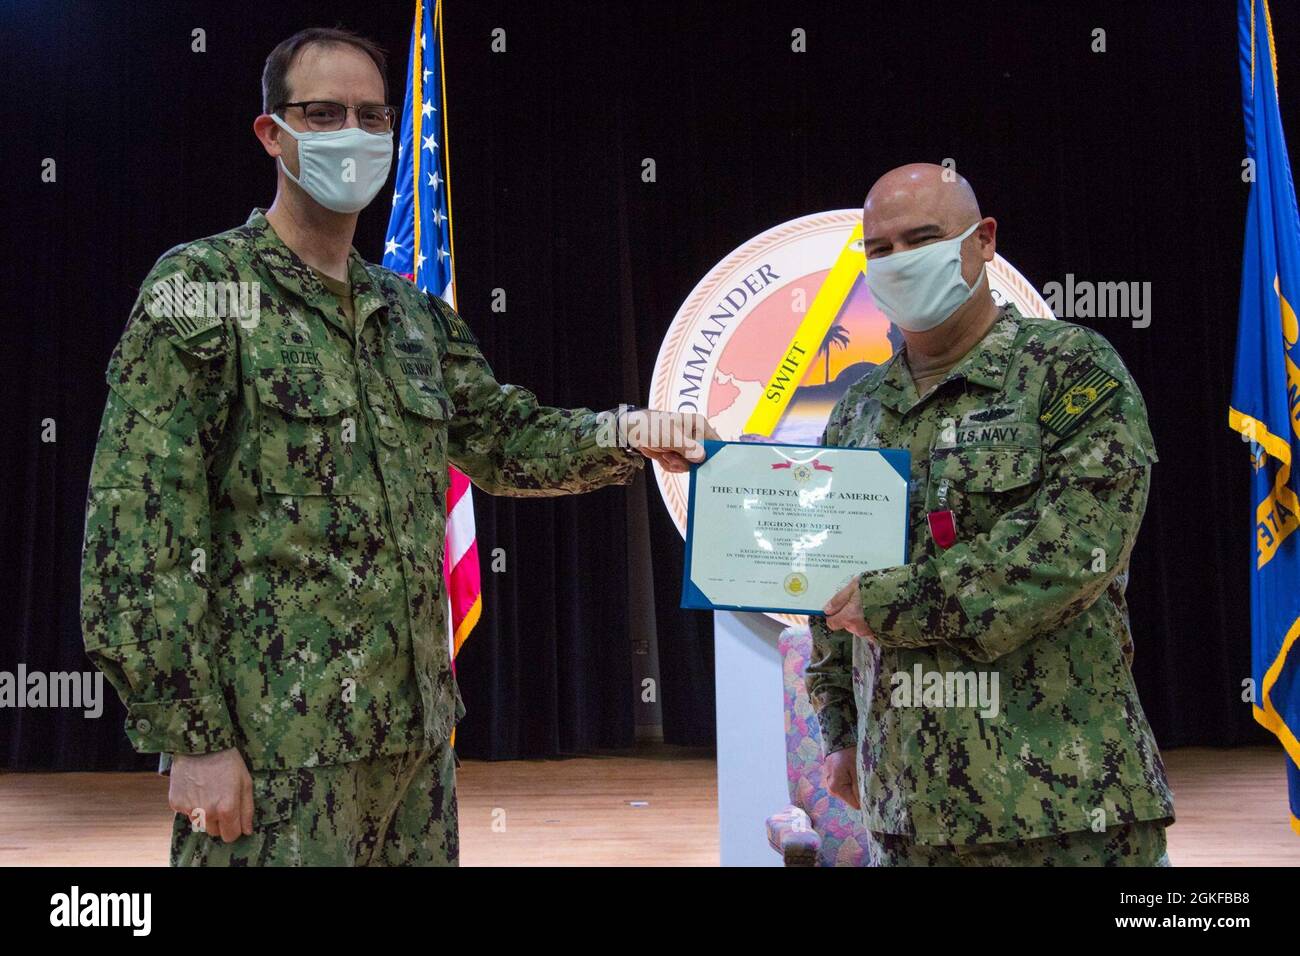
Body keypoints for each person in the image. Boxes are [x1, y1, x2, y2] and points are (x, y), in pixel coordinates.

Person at [80, 27, 713, 867]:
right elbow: (137, 531)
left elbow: (504, 436)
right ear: (272, 132)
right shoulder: (202, 290)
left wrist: (627, 433)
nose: (354, 134)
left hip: (414, 745)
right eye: (324, 112)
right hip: (278, 751)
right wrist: (193, 738)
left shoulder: (408, 313)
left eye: (374, 118)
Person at [807, 163, 1174, 866]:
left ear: (983, 242)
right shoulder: (856, 411)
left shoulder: (1072, 372)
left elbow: (1071, 554)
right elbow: (826, 587)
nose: (900, 261)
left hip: (1065, 811)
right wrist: (839, 731)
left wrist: (890, 602)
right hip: (907, 816)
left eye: (922, 238)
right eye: (878, 250)